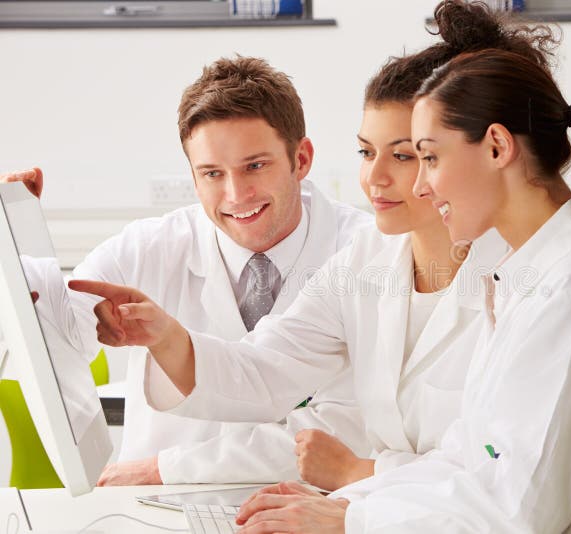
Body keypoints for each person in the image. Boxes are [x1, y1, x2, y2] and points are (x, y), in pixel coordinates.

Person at [69, 0, 543, 493]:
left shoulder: (534, 283)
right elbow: (263, 371)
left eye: (406, 155)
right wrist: (165, 336)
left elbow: (508, 486)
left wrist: (359, 482)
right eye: (365, 152)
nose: (373, 178)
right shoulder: (365, 264)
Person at [237, 46, 571, 532]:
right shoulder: (524, 272)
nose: (421, 185)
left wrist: (350, 519)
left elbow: (521, 511)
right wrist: (352, 502)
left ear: (496, 147)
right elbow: (468, 458)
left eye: (428, 157)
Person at [0, 55, 374, 486]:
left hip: (309, 510)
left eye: (255, 165)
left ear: (301, 158)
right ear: (193, 177)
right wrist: (11, 253)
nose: (236, 194)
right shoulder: (147, 248)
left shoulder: (365, 254)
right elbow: (48, 339)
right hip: (156, 513)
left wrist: (165, 469)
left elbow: (348, 429)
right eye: (212, 173)